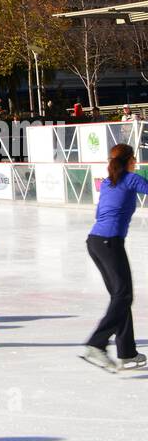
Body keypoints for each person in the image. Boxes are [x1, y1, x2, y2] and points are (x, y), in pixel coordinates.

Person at [81, 143, 148, 372]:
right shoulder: (131, 179)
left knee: (121, 297)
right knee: (123, 295)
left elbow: (100, 213)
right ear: (129, 160)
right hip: (110, 243)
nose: (136, 162)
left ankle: (127, 352)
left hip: (96, 241)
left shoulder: (109, 183)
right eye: (134, 158)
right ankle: (96, 344)